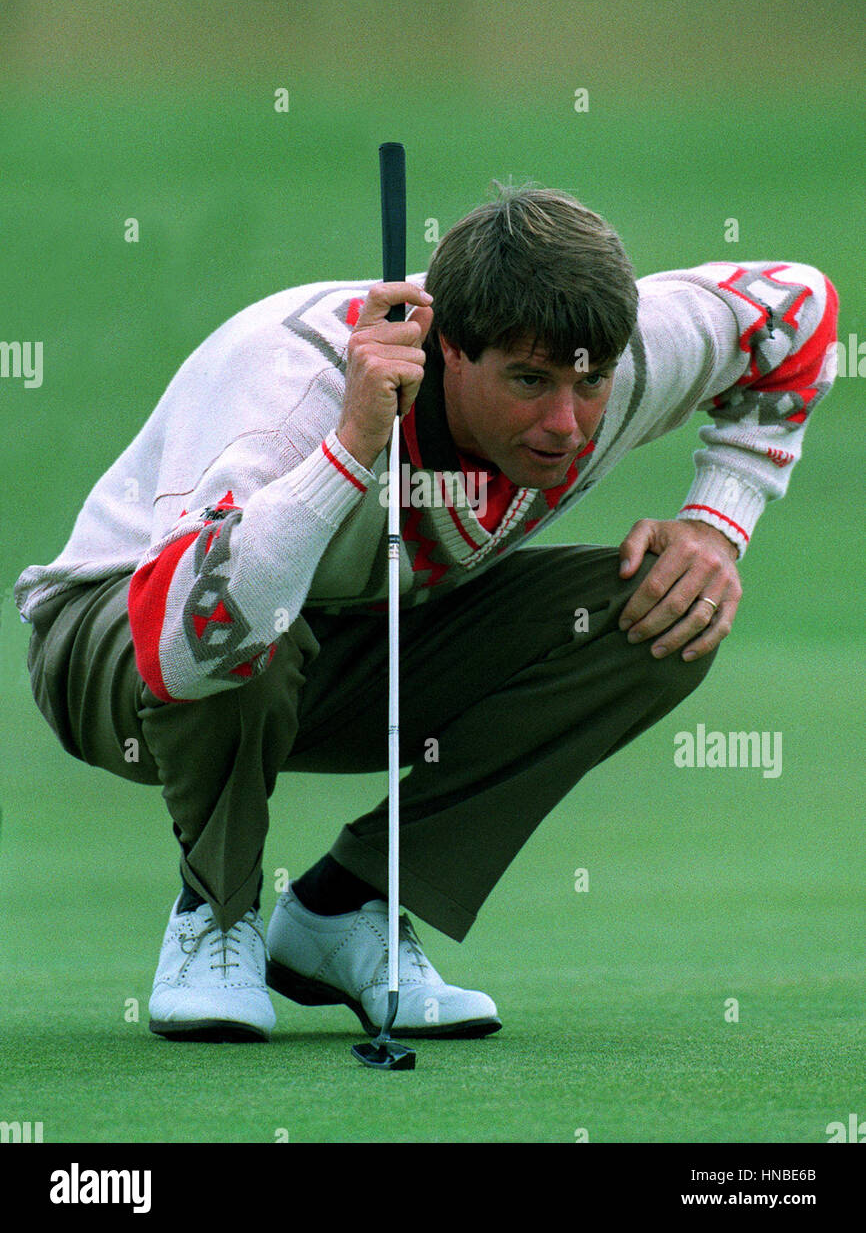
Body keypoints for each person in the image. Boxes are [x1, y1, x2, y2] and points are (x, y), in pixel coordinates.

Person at [14, 185, 838, 1043]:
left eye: (589, 382)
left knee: (660, 613)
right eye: (529, 381)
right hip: (116, 645)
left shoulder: (627, 357)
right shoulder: (290, 392)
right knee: (255, 621)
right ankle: (215, 917)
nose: (566, 423)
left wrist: (719, 519)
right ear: (448, 348)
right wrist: (349, 449)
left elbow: (799, 305)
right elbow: (186, 641)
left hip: (352, 633)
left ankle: (347, 906)